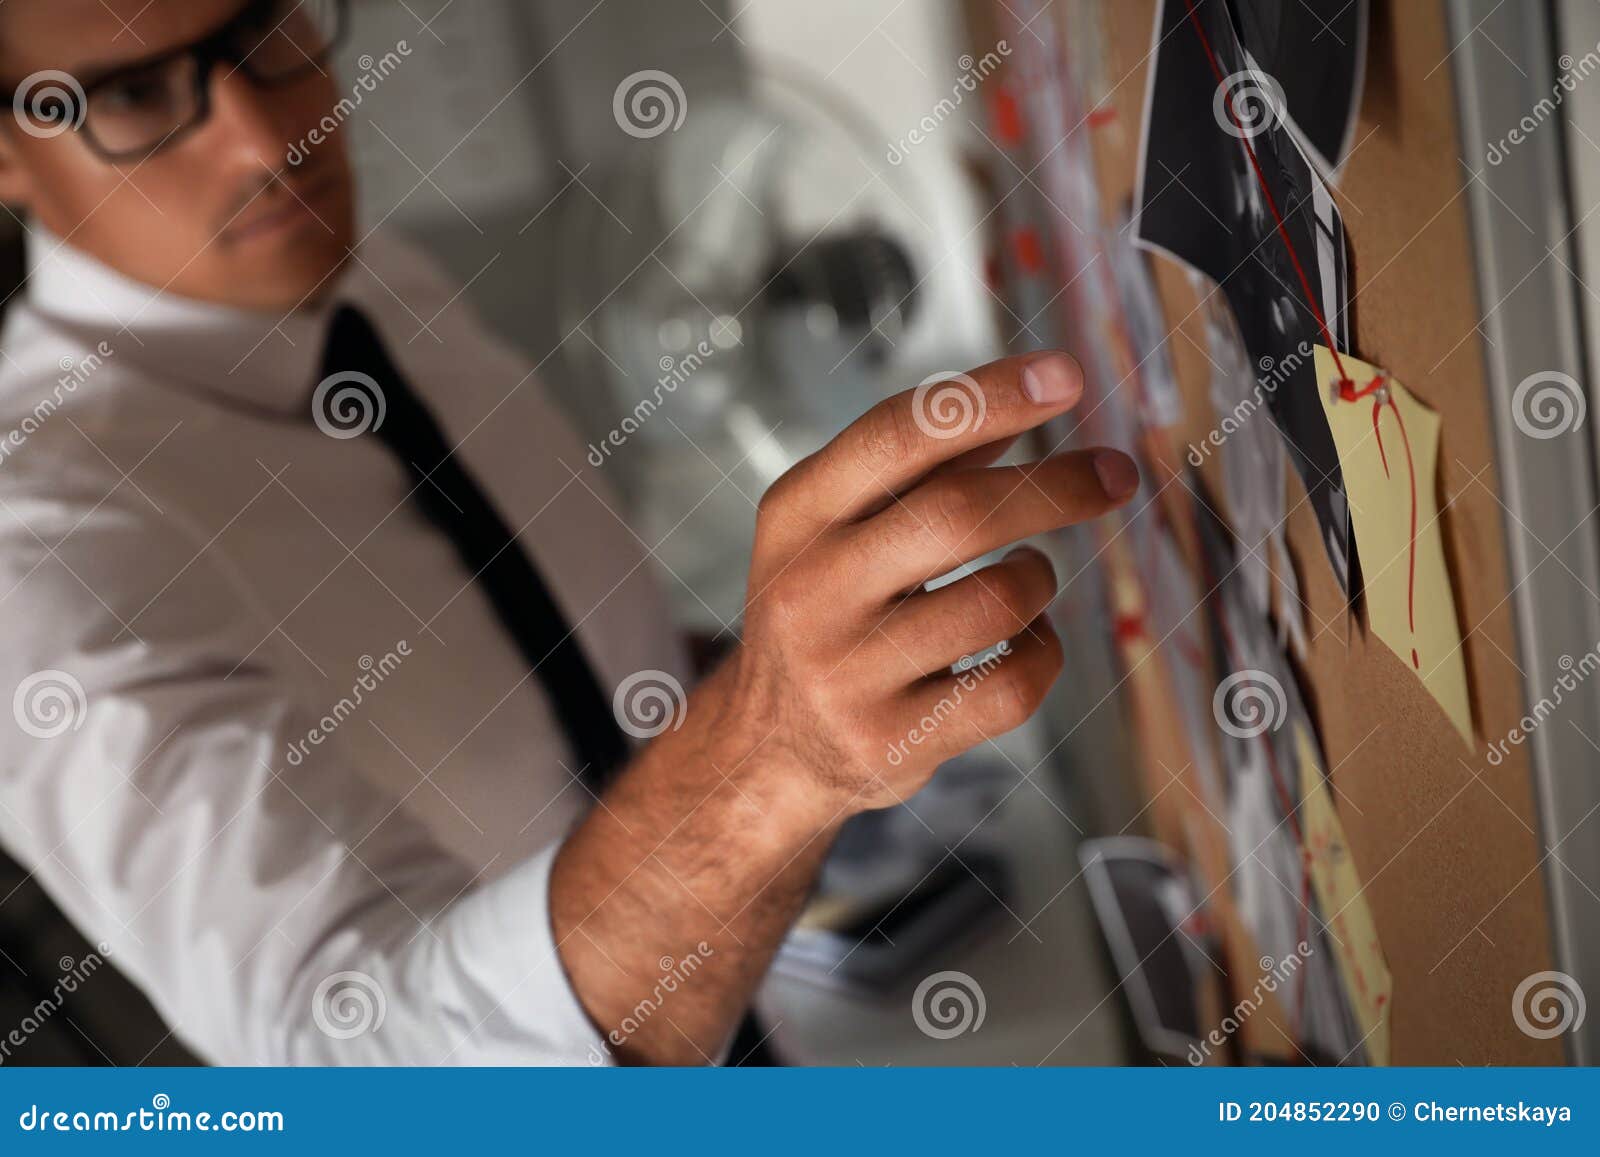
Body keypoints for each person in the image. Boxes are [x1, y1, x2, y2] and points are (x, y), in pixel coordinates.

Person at [0, 0, 1138, 1065]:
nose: (267, 139)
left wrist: (770, 666)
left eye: (261, 31)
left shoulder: (359, 278)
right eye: (135, 95)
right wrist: (765, 761)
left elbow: (543, 652)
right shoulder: (36, 553)